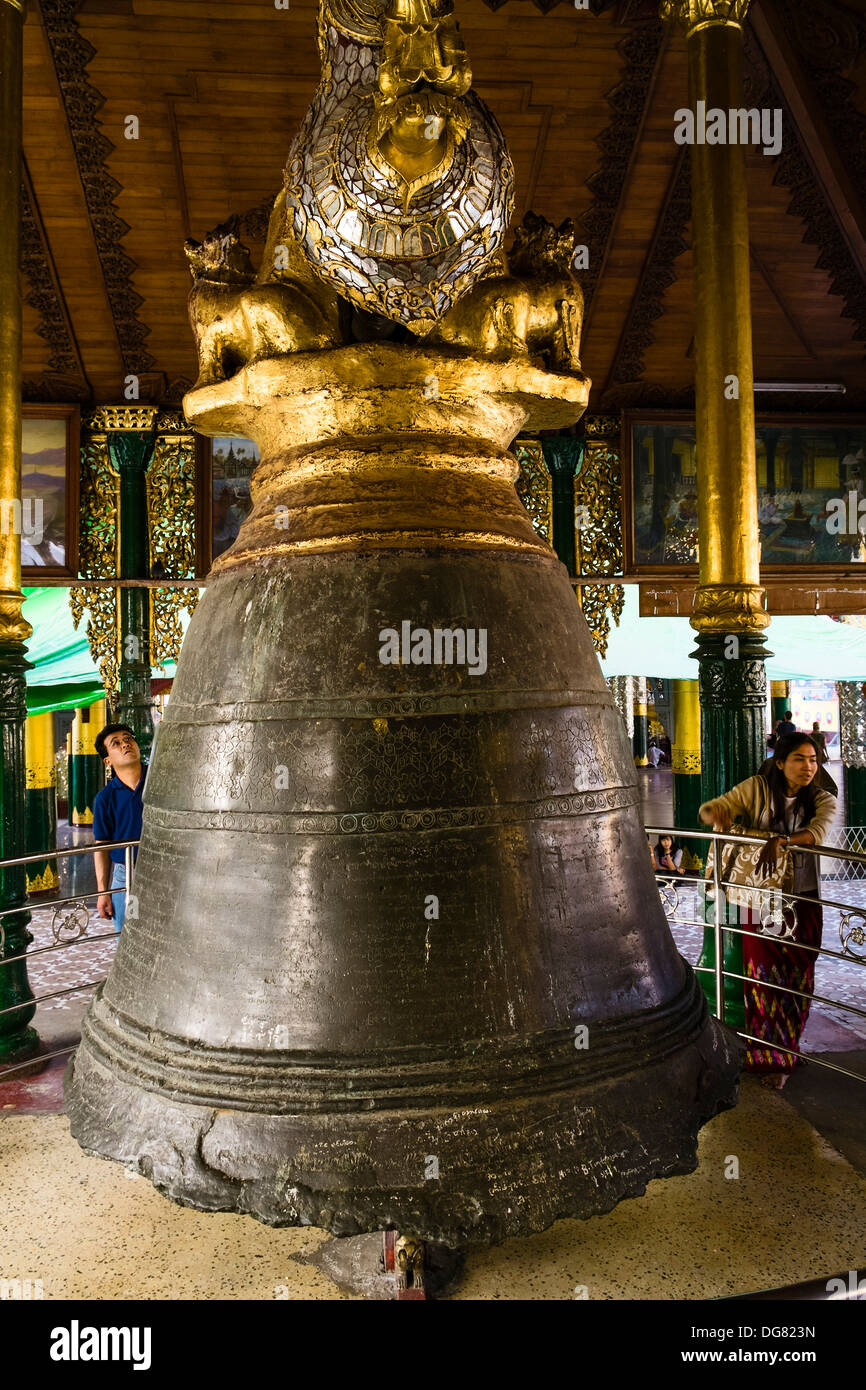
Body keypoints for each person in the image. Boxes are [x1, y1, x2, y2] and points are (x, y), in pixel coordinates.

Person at [698, 733, 835, 1087]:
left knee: (797, 979)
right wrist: (719, 815)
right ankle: (767, 1057)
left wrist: (784, 841)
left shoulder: (822, 798)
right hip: (760, 901)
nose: (808, 767)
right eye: (799, 759)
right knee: (762, 977)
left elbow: (819, 831)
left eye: (813, 760)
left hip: (803, 899)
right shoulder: (757, 788)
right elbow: (713, 809)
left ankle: (786, 1052)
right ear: (780, 762)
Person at [92, 724, 146, 933]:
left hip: (164, 869)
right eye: (116, 743)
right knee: (130, 936)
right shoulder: (105, 798)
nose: (125, 744)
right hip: (127, 876)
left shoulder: (160, 782)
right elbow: (102, 846)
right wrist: (103, 892)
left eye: (128, 739)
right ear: (108, 760)